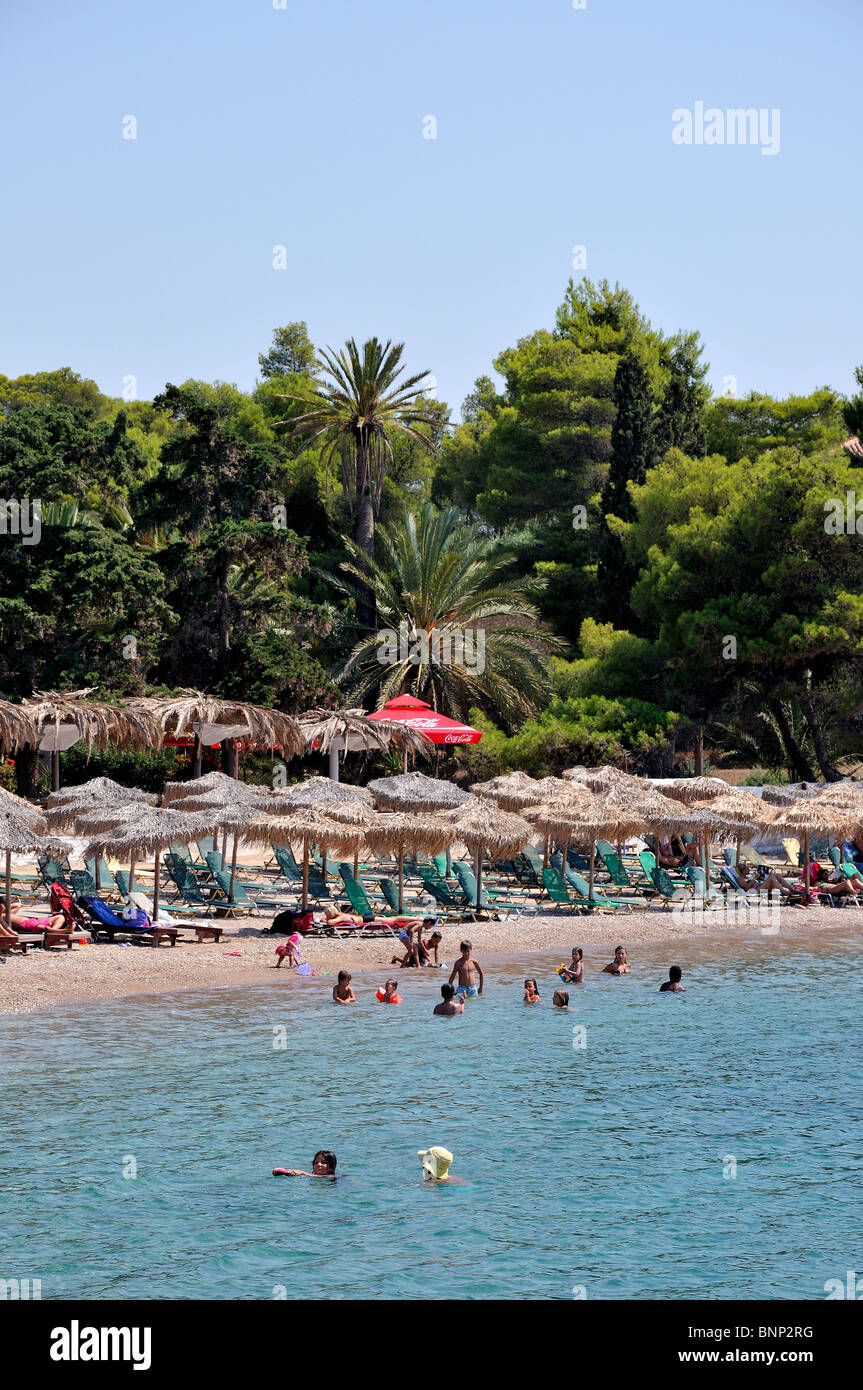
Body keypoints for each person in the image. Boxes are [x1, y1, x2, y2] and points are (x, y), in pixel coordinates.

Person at [0, 901, 69, 935]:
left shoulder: (8, 913)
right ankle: (65, 931)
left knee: (60, 917)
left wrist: (4, 907)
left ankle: (52, 931)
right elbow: (5, 927)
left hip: (33, 921)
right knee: (46, 928)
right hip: (26, 925)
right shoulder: (2, 917)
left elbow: (18, 905)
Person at [273, 1150, 337, 1178]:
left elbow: (323, 1177)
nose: (319, 1164)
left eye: (323, 1162)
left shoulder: (334, 1176)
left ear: (331, 1165)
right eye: (316, 1162)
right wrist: (287, 1172)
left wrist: (303, 1173)